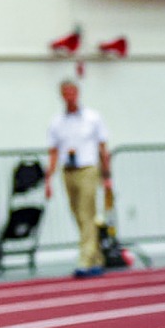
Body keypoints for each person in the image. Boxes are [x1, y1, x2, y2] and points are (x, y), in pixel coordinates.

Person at [45, 79, 112, 278]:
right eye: (65, 93)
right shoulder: (57, 122)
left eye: (72, 93)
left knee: (86, 213)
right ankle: (96, 258)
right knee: (78, 215)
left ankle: (84, 260)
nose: (69, 97)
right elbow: (53, 152)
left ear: (78, 93)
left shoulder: (93, 118)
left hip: (88, 169)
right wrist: (49, 179)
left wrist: (107, 175)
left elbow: (103, 148)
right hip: (68, 171)